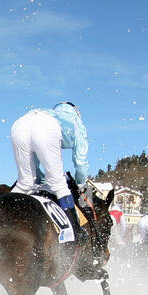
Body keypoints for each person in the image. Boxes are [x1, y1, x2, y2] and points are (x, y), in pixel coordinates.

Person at [10, 101, 89, 240]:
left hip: (19, 124)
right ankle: (76, 231)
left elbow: (36, 164)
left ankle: (1, 216)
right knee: (58, 184)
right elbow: (80, 162)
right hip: (46, 127)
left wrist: (40, 180)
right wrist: (81, 185)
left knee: (24, 183)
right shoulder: (76, 122)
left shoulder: (48, 112)